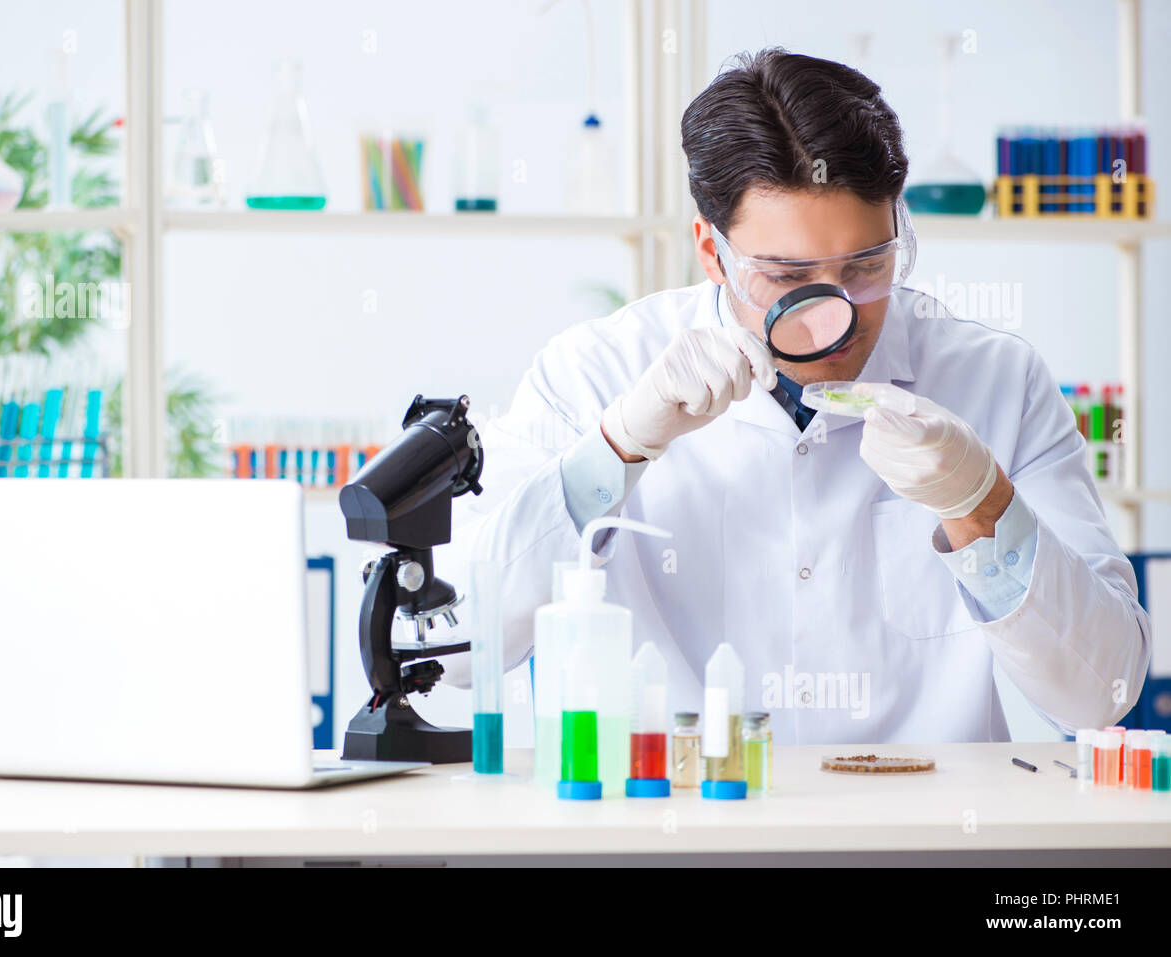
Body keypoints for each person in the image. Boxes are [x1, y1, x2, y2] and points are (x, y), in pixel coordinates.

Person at [437, 48, 1149, 743]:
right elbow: (452, 646)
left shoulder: (999, 380)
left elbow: (1102, 695)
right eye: (787, 275)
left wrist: (981, 503)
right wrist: (616, 447)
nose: (831, 318)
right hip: (674, 839)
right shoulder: (591, 372)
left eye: (867, 267)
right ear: (711, 252)